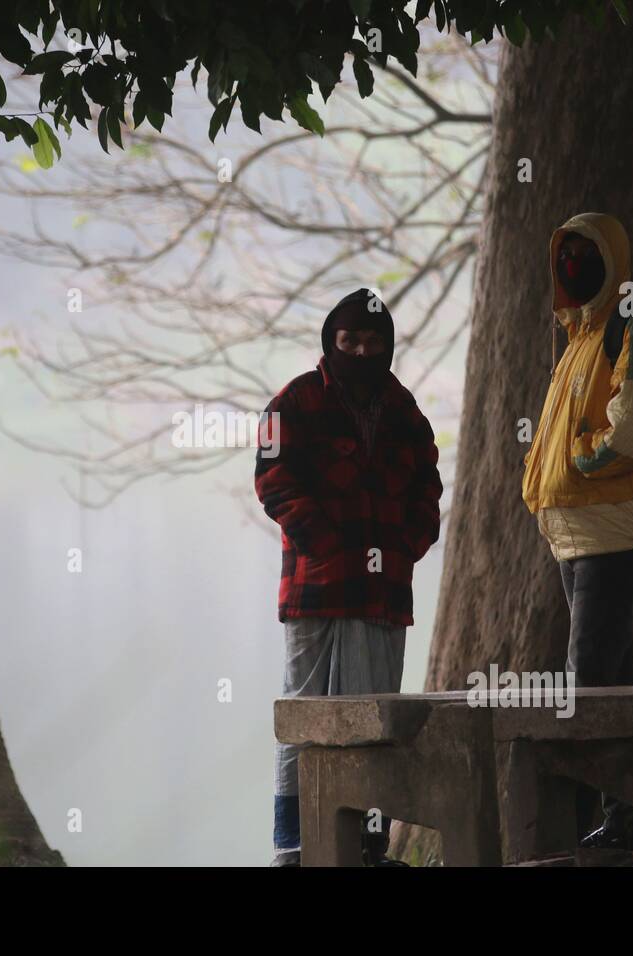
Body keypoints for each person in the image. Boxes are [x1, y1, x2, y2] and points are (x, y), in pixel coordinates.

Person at [255, 288, 443, 866]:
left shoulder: (405, 410)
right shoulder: (292, 401)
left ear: (387, 347)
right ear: (330, 342)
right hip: (315, 588)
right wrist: (325, 545)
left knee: (374, 715)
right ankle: (294, 844)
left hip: (383, 592)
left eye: (372, 342)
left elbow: (428, 491)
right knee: (306, 711)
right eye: (349, 341)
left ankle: (367, 846)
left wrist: (405, 548)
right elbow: (271, 480)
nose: (361, 351)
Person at [522, 212, 633, 850]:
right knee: (615, 680)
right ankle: (630, 819)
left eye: (583, 254)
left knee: (588, 684)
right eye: (563, 256)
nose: (571, 267)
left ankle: (597, 824)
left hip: (616, 533)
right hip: (581, 537)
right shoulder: (580, 341)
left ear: (611, 259)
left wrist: (585, 456)